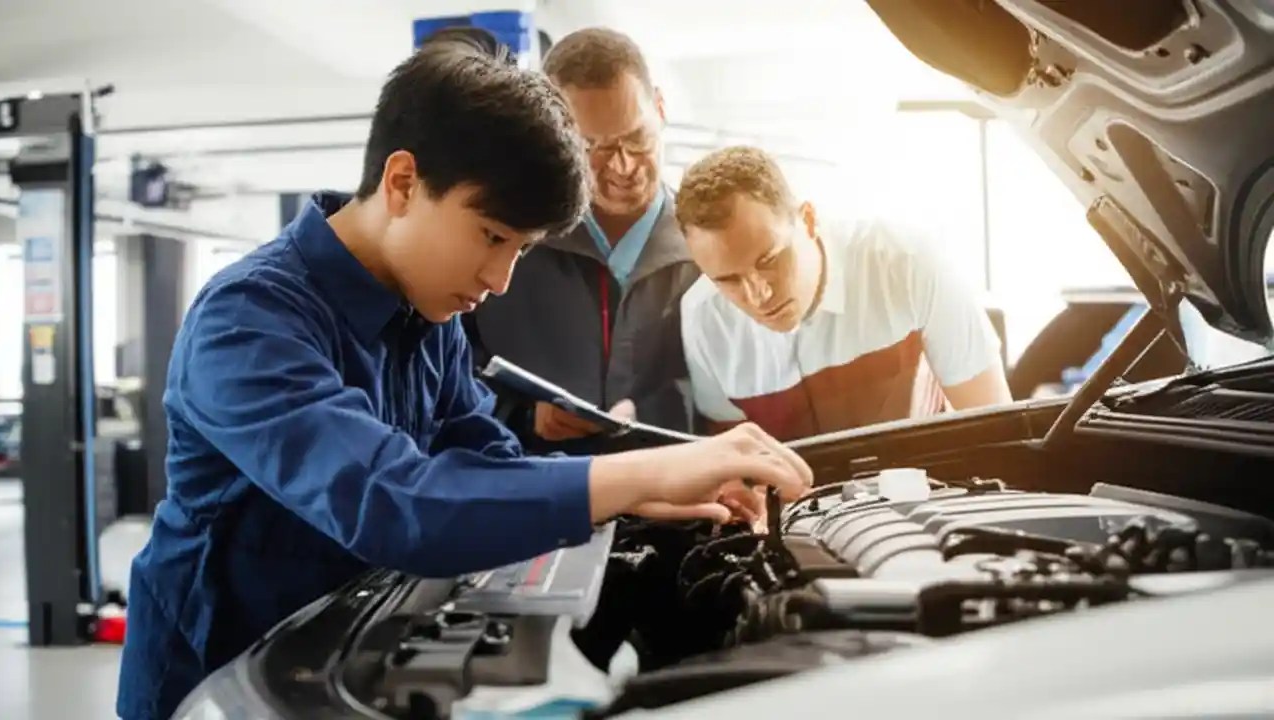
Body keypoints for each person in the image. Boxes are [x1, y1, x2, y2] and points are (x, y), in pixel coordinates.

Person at [116, 43, 809, 720]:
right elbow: (393, 501)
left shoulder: (429, 315)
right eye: (491, 237)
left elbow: (487, 462)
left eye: (523, 251)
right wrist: (645, 475)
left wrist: (632, 498)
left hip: (349, 660)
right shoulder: (247, 321)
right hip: (224, 679)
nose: (500, 280)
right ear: (402, 183)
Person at [468, 27, 699, 454]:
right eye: (593, 146)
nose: (623, 166)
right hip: (539, 500)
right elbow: (449, 378)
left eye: (636, 138)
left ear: (661, 108)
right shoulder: (504, 243)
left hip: (683, 502)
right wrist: (521, 412)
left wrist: (648, 414)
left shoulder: (709, 253)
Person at [676, 146, 1011, 441]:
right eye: (728, 280)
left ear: (807, 220)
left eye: (769, 260)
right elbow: (738, 470)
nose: (757, 294)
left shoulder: (909, 264)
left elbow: (999, 432)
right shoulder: (701, 316)